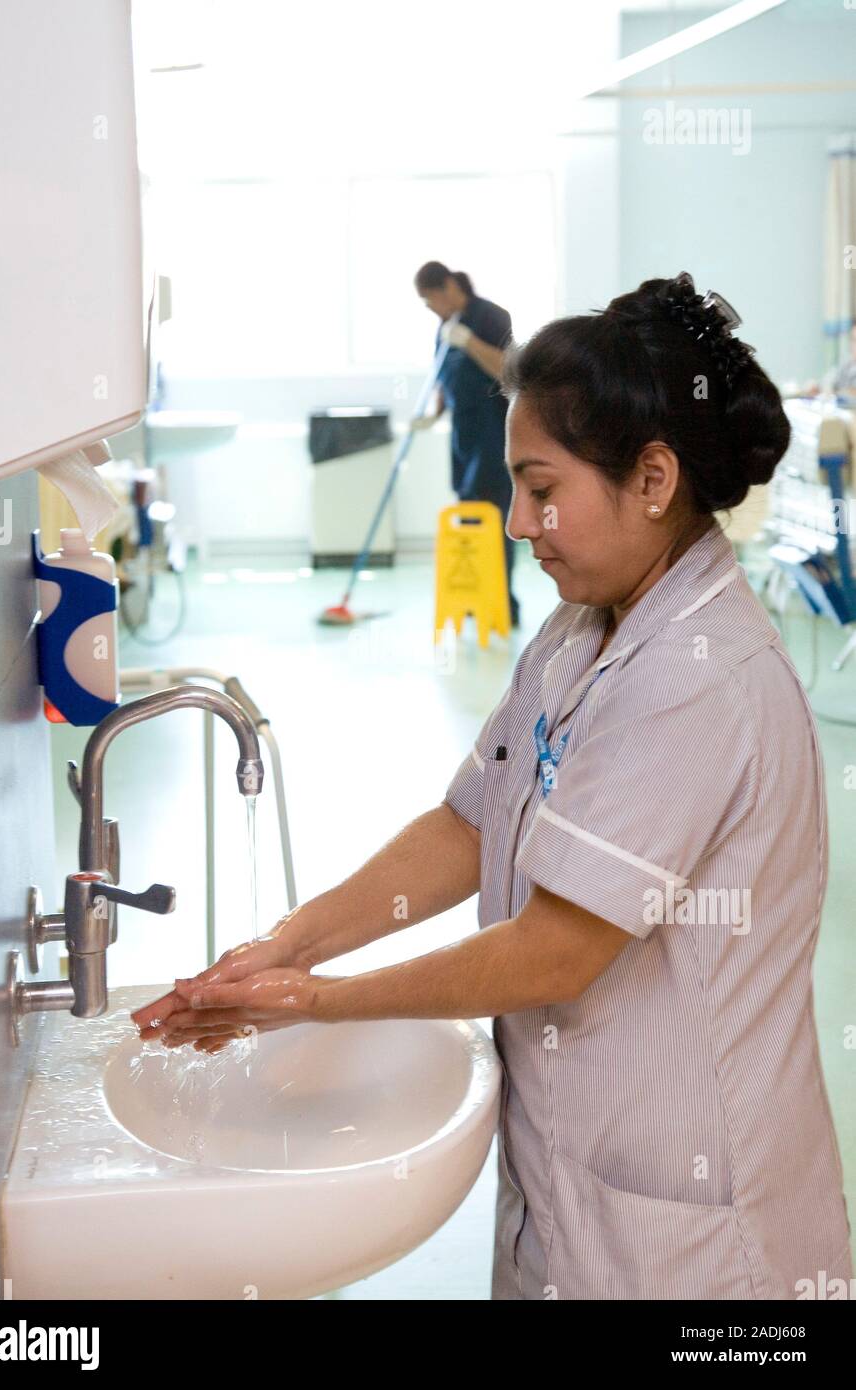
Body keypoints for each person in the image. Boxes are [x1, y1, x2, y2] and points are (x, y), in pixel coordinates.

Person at [132, 272, 852, 1301]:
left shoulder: (700, 680)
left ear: (652, 478)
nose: (516, 521)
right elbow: (466, 826)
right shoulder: (575, 635)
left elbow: (553, 951)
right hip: (578, 1201)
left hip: (696, 1254)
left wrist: (318, 1003)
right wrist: (288, 943)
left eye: (541, 487)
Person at [412, 261, 520, 627]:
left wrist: (469, 341)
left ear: (447, 287)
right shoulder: (444, 327)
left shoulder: (491, 317)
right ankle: (475, 599)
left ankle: (503, 603)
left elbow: (508, 372)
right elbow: (446, 379)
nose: (433, 310)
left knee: (493, 519)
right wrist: (433, 413)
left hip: (494, 435)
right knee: (471, 518)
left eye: (431, 301)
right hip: (463, 436)